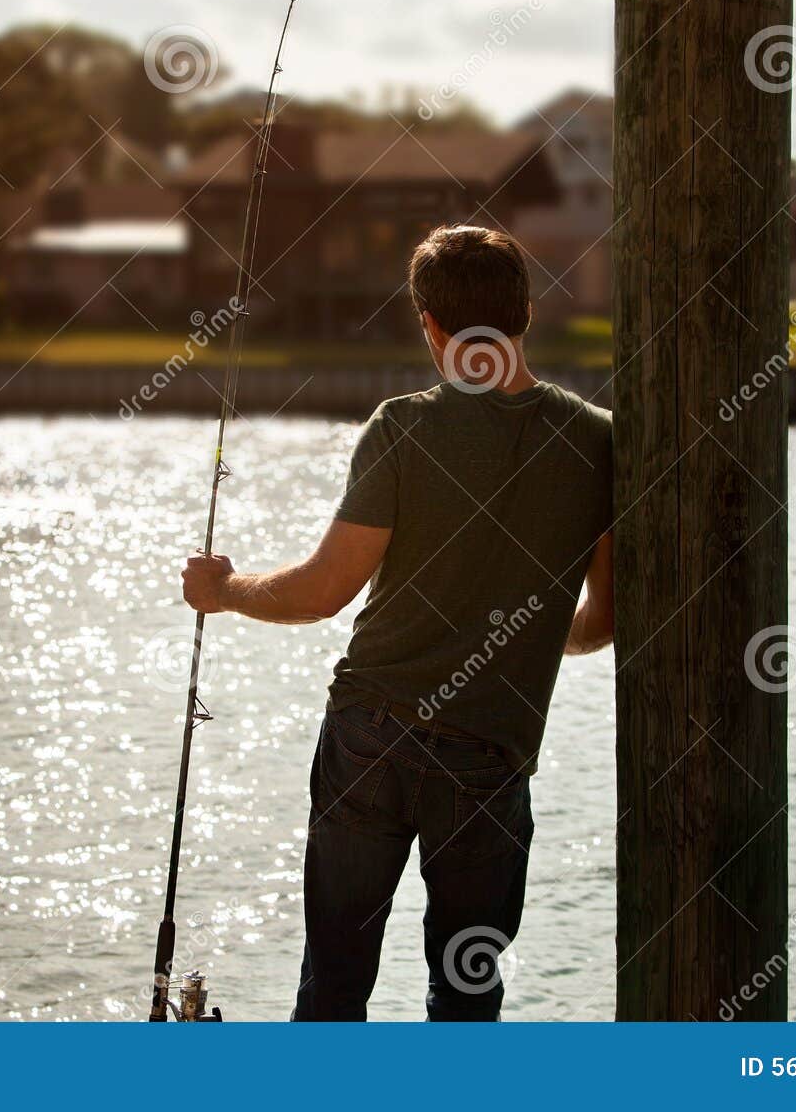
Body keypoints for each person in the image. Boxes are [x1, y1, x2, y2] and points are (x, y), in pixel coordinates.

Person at [181, 224, 614, 1020]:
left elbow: (322, 592)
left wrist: (226, 588)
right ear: (526, 310)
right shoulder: (598, 440)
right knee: (466, 995)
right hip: (490, 760)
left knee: (335, 985)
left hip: (370, 737)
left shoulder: (403, 428)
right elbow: (604, 618)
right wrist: (539, 633)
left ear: (430, 324)